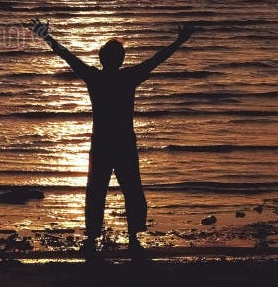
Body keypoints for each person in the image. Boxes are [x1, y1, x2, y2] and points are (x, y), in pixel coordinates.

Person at [29, 19, 196, 256]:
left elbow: (68, 56)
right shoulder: (129, 77)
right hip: (125, 143)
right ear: (121, 60)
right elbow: (157, 60)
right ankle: (134, 236)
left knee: (96, 190)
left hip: (102, 144)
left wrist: (46, 37)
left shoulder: (95, 78)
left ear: (101, 58)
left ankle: (93, 236)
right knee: (132, 189)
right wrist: (179, 41)